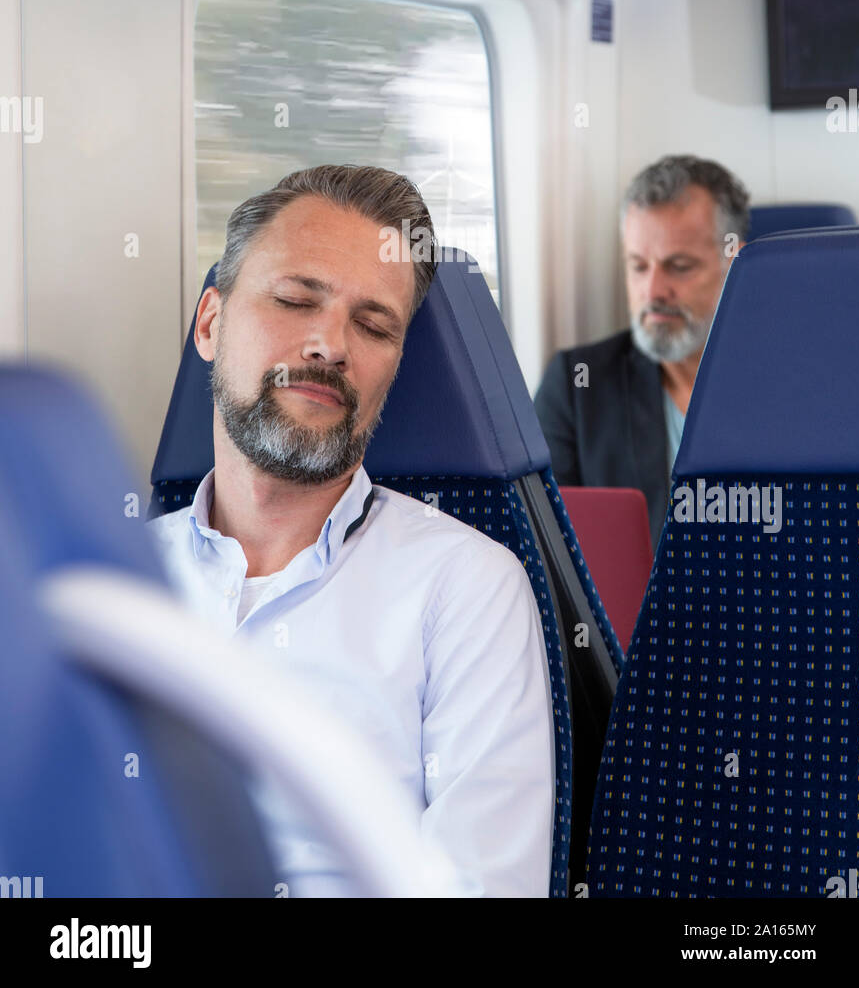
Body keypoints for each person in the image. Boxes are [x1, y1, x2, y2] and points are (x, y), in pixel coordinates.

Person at [147, 164, 554, 898]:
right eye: (296, 299)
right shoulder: (117, 579)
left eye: (373, 326)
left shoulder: (466, 591)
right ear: (210, 323)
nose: (330, 344)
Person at [534, 155, 750, 550]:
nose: (652, 292)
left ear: (736, 262)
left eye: (679, 266)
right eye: (638, 266)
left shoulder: (794, 385)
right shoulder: (575, 386)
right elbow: (549, 551)